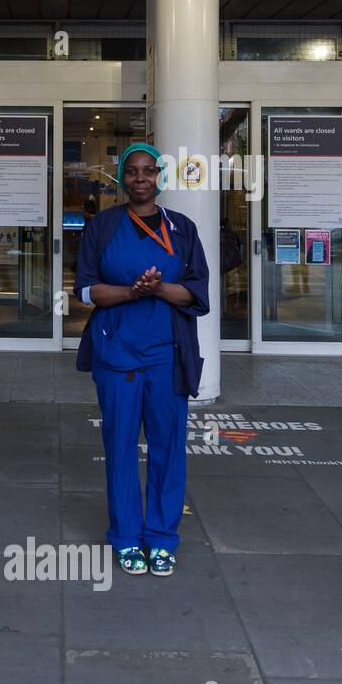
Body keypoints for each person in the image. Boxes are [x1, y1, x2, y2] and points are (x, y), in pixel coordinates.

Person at [74, 143, 210, 577]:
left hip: (166, 355)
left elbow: (197, 293)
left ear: (159, 178)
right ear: (121, 177)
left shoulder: (182, 228)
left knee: (169, 448)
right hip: (117, 356)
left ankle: (162, 537)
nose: (140, 178)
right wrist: (132, 292)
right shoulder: (104, 226)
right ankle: (127, 537)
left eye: (148, 171)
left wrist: (158, 289)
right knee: (119, 448)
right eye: (131, 171)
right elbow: (86, 290)